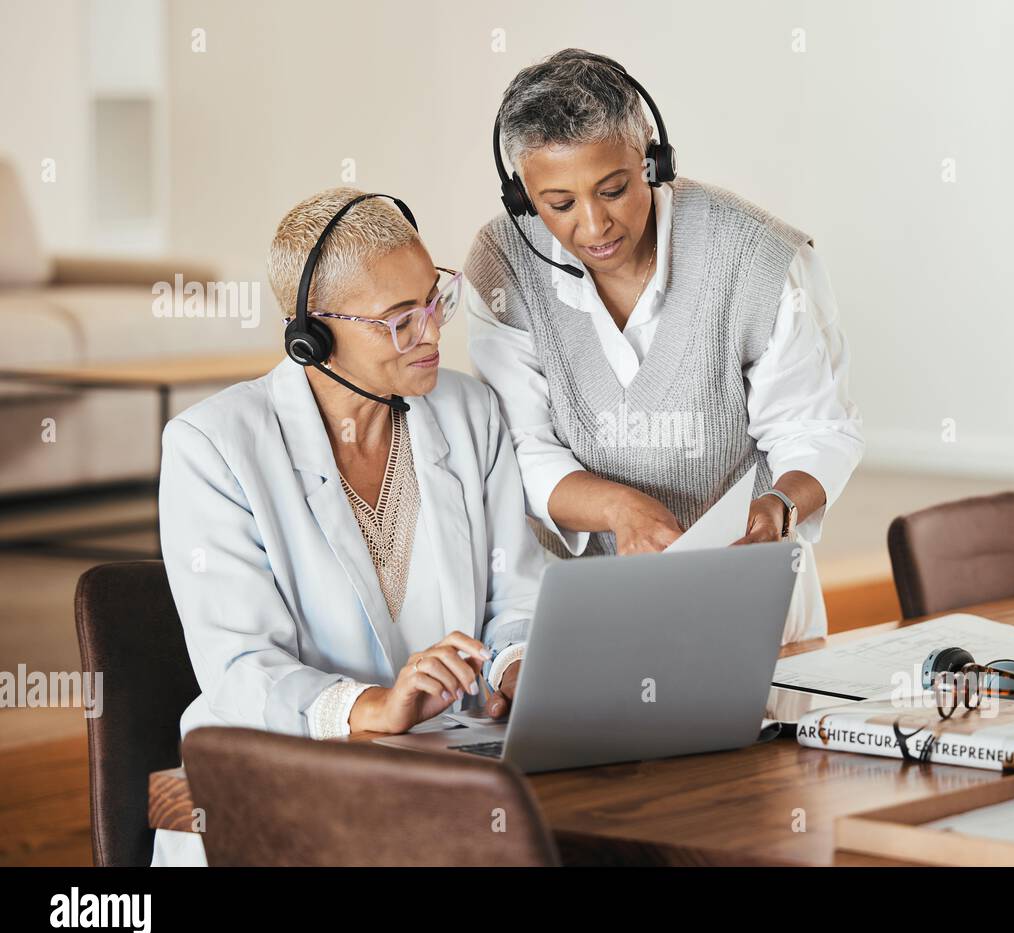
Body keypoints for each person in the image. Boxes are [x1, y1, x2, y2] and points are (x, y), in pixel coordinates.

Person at [152, 187, 544, 865]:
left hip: (448, 768)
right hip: (283, 780)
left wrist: (514, 666)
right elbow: (242, 667)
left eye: (434, 300)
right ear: (314, 338)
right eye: (399, 320)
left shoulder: (469, 411)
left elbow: (518, 601)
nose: (431, 332)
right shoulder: (212, 446)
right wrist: (372, 706)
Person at [466, 49, 864, 640]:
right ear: (522, 193)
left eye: (614, 188)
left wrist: (779, 506)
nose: (595, 226)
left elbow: (815, 431)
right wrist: (621, 511)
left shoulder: (758, 258)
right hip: (590, 607)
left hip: (748, 599)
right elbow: (522, 449)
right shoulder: (504, 266)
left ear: (650, 155)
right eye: (560, 204)